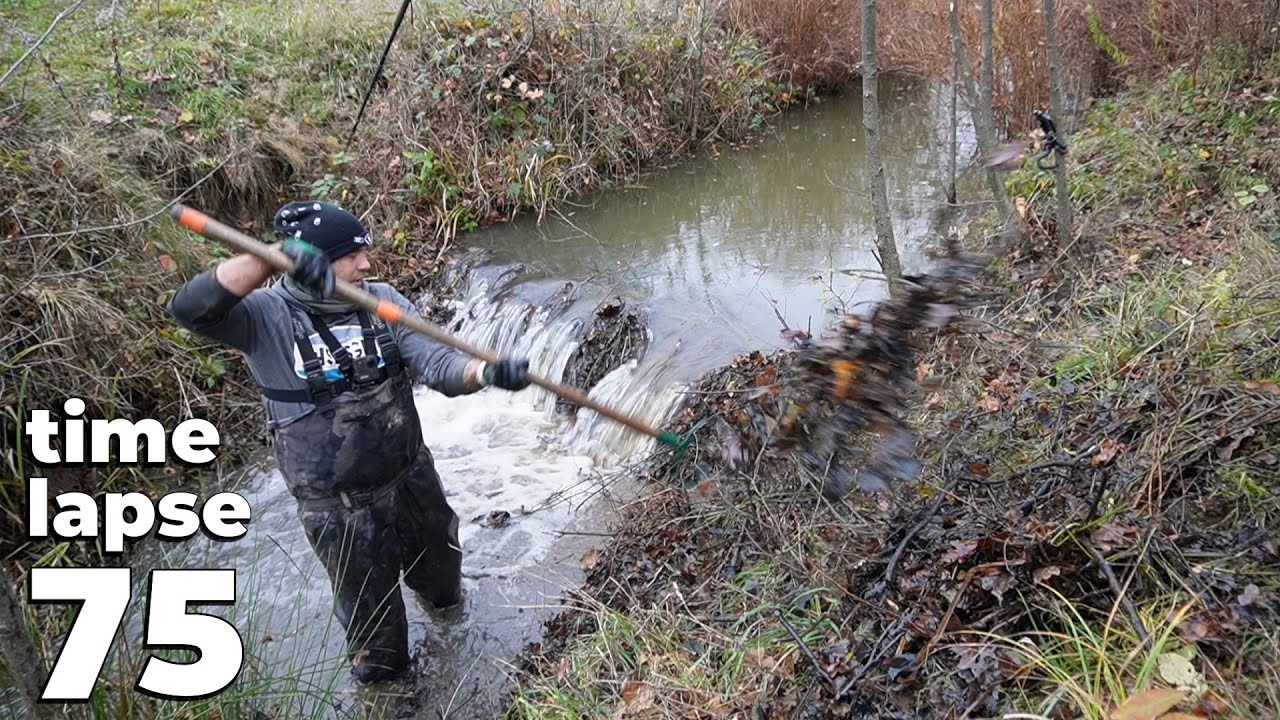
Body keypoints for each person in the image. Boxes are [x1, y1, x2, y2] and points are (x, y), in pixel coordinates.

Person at [167, 200, 532, 684]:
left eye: (363, 252)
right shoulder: (265, 317)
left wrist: (483, 373)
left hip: (411, 479)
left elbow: (439, 366)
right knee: (378, 647)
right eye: (350, 255)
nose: (365, 264)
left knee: (446, 590)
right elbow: (188, 310)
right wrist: (272, 255)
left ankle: (453, 651)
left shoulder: (383, 301)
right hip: (339, 511)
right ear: (309, 260)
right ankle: (386, 700)